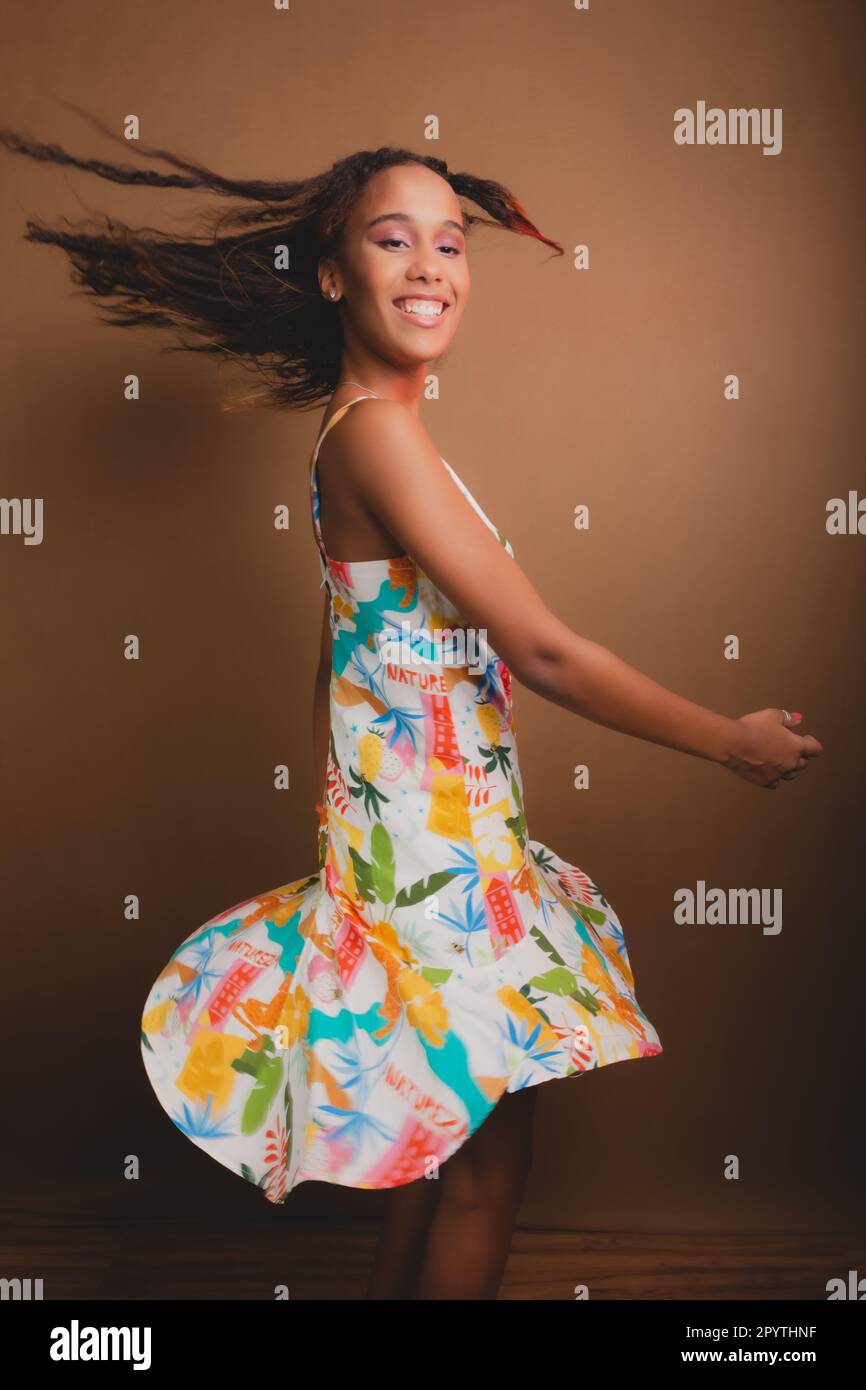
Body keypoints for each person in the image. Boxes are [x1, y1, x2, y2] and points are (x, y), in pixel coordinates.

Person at [2, 122, 823, 1300]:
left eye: (452, 242)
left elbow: (357, 662)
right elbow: (540, 649)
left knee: (434, 1156)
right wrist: (727, 741)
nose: (431, 265)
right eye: (395, 240)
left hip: (429, 851)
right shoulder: (377, 438)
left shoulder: (373, 436)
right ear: (334, 272)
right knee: (484, 1167)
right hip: (429, 868)